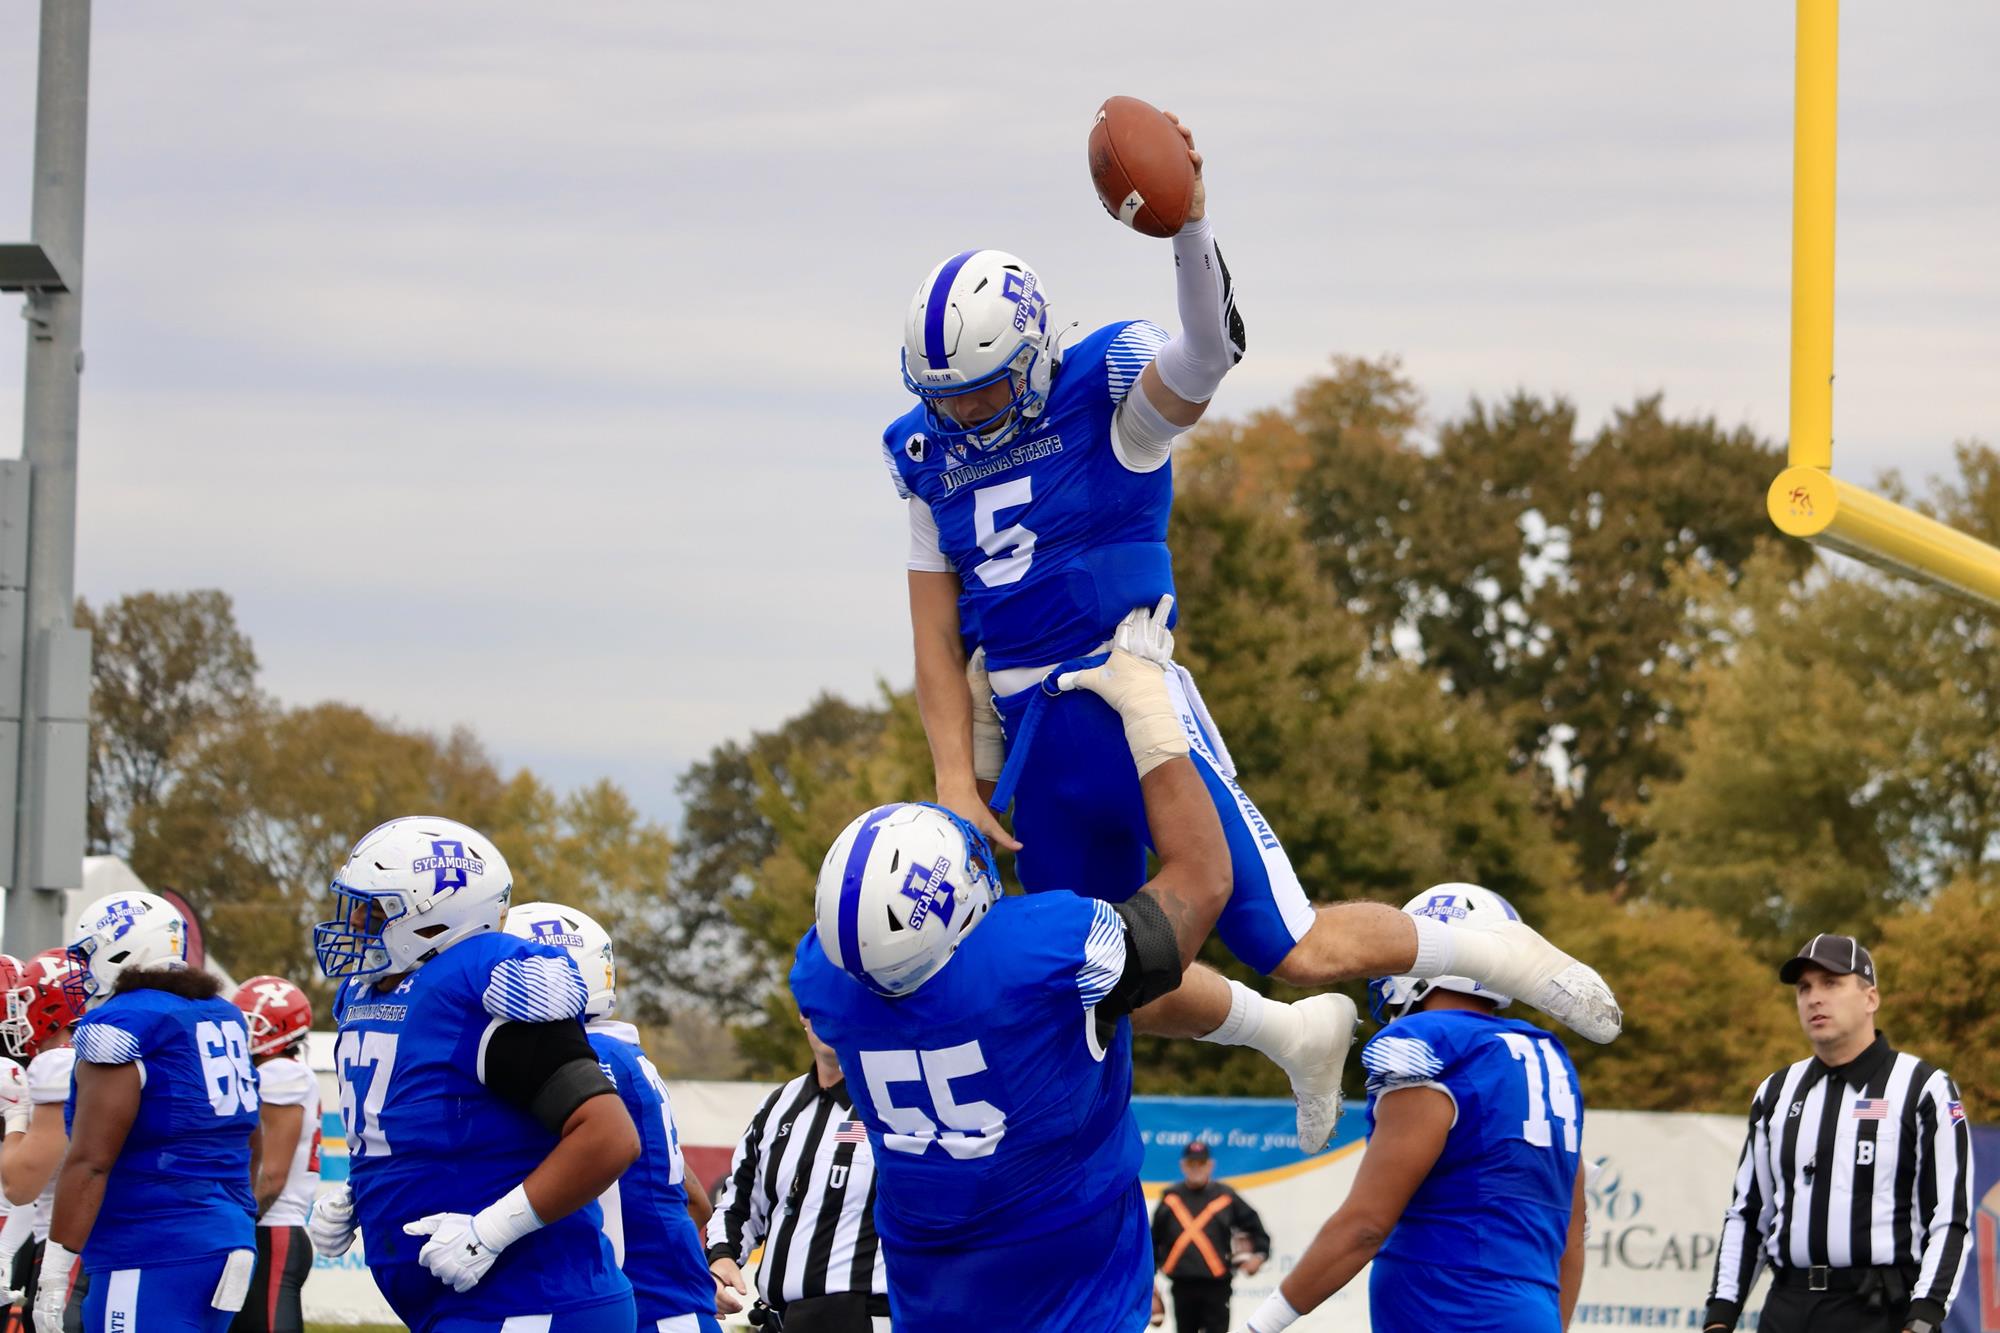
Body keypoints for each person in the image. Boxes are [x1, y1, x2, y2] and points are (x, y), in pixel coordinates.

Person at [884, 114, 1621, 1152]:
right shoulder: (921, 452)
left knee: (1300, 943)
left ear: (1038, 354)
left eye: (983, 392)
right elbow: (929, 638)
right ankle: (1289, 1037)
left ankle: (1500, 953)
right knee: (1092, 977)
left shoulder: (1106, 403)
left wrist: (1189, 227)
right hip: (1031, 734)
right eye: (944, 400)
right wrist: (952, 776)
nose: (962, 418)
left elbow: (1206, 349)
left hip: (1127, 700)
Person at [790, 644, 1243, 1331]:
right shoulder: (1031, 952)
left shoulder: (828, 973)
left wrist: (973, 753)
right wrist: (1153, 719)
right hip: (1066, 1245)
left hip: (931, 1267)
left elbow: (904, 917)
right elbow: (1203, 879)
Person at [307, 815, 642, 1332]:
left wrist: (488, 1231)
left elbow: (609, 1137)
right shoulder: (366, 995)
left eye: (373, 911)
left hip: (535, 1302)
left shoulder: (480, 982)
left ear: (436, 918)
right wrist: (361, 1193)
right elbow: (436, 1127)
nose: (353, 927)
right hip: (469, 1306)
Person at [1246, 886, 1588, 1333]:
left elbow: (1366, 1225)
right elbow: (1573, 1235)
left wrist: (1262, 1324)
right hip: (1532, 1312)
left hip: (1444, 1309)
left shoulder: (1429, 1041)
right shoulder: (1548, 1055)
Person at [1702, 935, 1972, 1333]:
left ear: (1870, 998)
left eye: (1831, 983)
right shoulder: (1776, 1091)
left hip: (1878, 1308)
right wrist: (1721, 1314)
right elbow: (1749, 1212)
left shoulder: (1923, 1087)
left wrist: (1925, 1317)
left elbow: (1949, 1216)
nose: (1814, 998)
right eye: (1804, 988)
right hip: (1787, 1306)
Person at [34, 891, 261, 1333]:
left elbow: (92, 1160)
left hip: (150, 1245)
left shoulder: (124, 1022)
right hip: (227, 1240)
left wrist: (55, 1269)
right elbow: (251, 1136)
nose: (81, 971)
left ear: (124, 948)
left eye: (88, 955)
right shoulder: (222, 1015)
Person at [502, 900, 723, 1333]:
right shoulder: (624, 1055)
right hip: (671, 1309)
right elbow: (692, 1198)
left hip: (641, 1314)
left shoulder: (587, 1060)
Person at [705, 1014, 887, 1333]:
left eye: (840, 1002)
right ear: (804, 1015)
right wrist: (722, 1260)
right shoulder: (779, 1103)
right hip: (777, 1319)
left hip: (859, 1318)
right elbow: (741, 1205)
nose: (829, 1014)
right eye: (818, 1004)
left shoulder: (895, 1105)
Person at [229, 976, 321, 1333]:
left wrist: (230, 1227)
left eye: (250, 1022)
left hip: (272, 1229)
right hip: (266, 1229)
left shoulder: (280, 1072)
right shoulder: (272, 1072)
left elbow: (272, 1177)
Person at [0, 950, 87, 1322]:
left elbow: (21, 1186)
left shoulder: (53, 1064)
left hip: (62, 1240)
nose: (19, 1018)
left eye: (26, 1002)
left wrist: (17, 1114)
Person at [1150, 1140, 1267, 1333]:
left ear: (1210, 1165)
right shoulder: (1171, 1199)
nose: (1196, 1168)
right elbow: (1153, 1242)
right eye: (1191, 1164)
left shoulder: (1226, 1197)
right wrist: (1150, 1283)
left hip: (1217, 1287)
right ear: (1183, 1166)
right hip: (1182, 1286)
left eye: (1201, 1163)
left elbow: (1256, 1229)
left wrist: (1258, 1256)